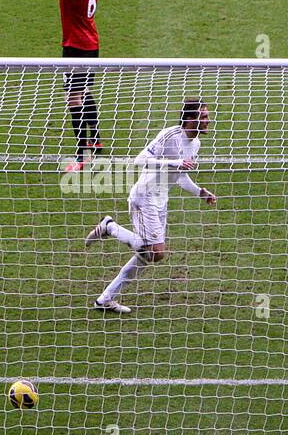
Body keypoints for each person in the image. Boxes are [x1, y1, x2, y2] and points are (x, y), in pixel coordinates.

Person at [0, 0, 107, 170]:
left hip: (75, 48)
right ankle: (96, 139)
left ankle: (81, 156)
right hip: (92, 44)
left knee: (73, 98)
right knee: (85, 91)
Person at [83, 100, 216, 313]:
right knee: (156, 252)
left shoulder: (196, 143)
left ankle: (105, 299)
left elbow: (180, 177)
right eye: (204, 117)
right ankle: (110, 228)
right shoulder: (170, 136)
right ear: (191, 119)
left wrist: (200, 192)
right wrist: (174, 163)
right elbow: (140, 160)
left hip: (160, 201)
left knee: (146, 256)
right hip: (144, 197)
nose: (209, 121)